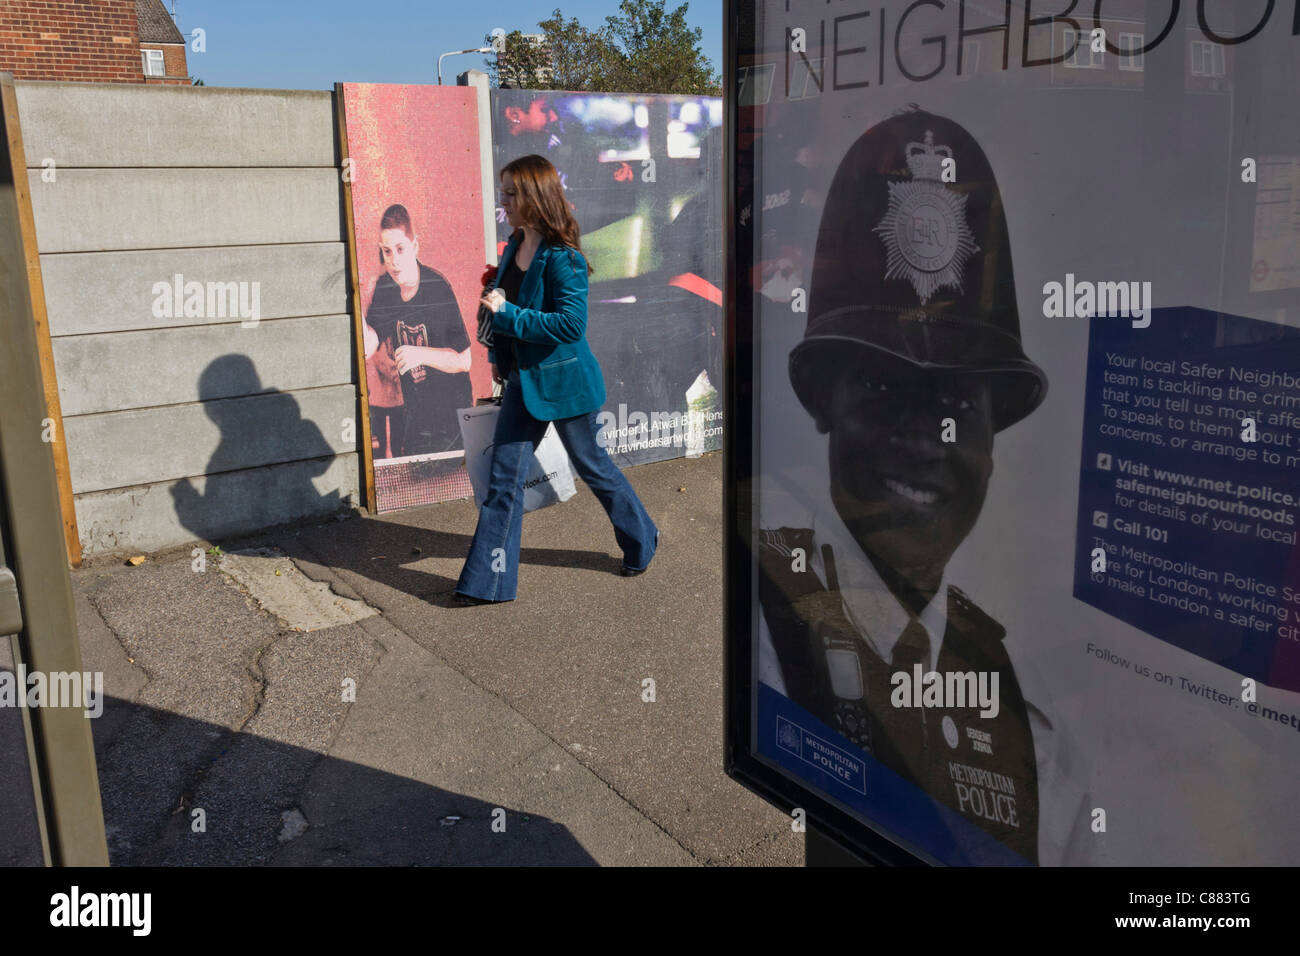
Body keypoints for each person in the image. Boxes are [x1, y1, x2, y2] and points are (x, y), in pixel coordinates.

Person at [757, 108, 1092, 865]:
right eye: (881, 386)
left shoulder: (1029, 727)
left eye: (955, 403)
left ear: (992, 442)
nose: (924, 440)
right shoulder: (769, 636)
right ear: (823, 404)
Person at [453, 155, 659, 604]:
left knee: (594, 469)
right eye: (502, 191)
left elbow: (569, 325)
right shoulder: (514, 246)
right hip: (522, 385)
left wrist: (509, 314)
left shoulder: (563, 258)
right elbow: (503, 308)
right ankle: (487, 584)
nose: (502, 201)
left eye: (510, 193)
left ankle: (643, 540)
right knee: (503, 481)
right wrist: (496, 353)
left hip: (567, 386)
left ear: (532, 197)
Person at [362, 204, 473, 459]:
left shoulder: (437, 287)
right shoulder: (385, 288)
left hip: (451, 419)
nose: (394, 260)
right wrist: (355, 301)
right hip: (416, 419)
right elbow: (369, 346)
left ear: (415, 246)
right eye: (387, 251)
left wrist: (419, 354)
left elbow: (463, 360)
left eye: (400, 249)